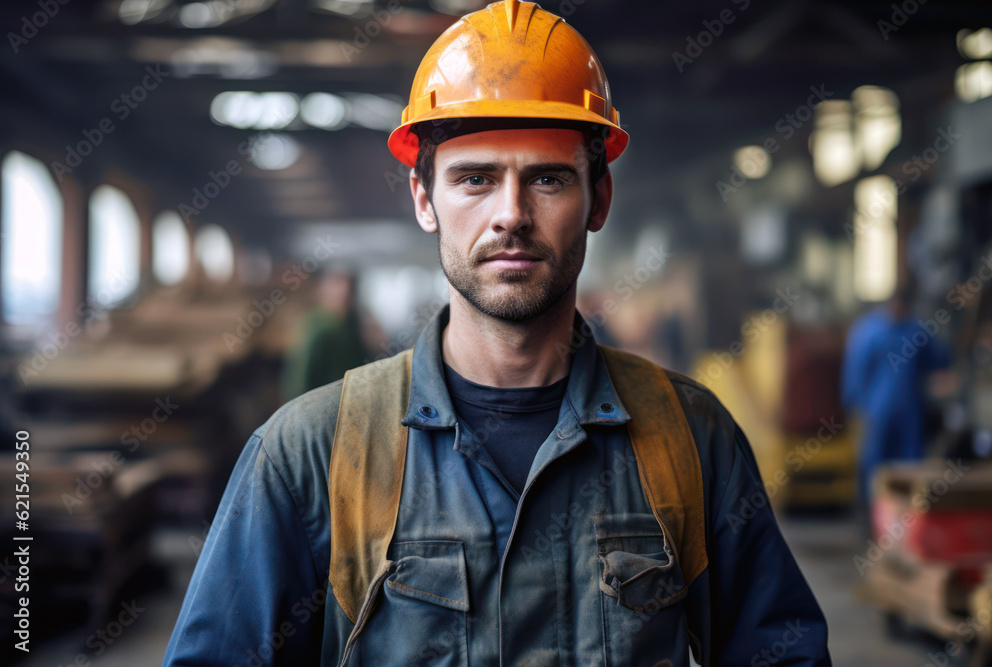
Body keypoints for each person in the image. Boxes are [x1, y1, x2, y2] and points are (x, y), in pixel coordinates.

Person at [163, 1, 831, 664]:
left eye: (547, 178)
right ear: (425, 200)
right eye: (474, 178)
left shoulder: (691, 438)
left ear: (598, 199)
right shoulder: (308, 455)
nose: (510, 214)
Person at [842, 281, 951, 507]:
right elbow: (854, 372)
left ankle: (904, 517)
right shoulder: (869, 332)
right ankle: (873, 516)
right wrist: (853, 405)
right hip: (876, 412)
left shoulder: (915, 330)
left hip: (908, 411)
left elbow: (940, 359)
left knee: (909, 465)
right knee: (875, 466)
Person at [280, 268, 369, 401]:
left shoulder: (350, 326)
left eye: (349, 286)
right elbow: (299, 383)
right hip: (320, 408)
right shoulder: (316, 328)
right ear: (324, 288)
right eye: (337, 283)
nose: (343, 291)